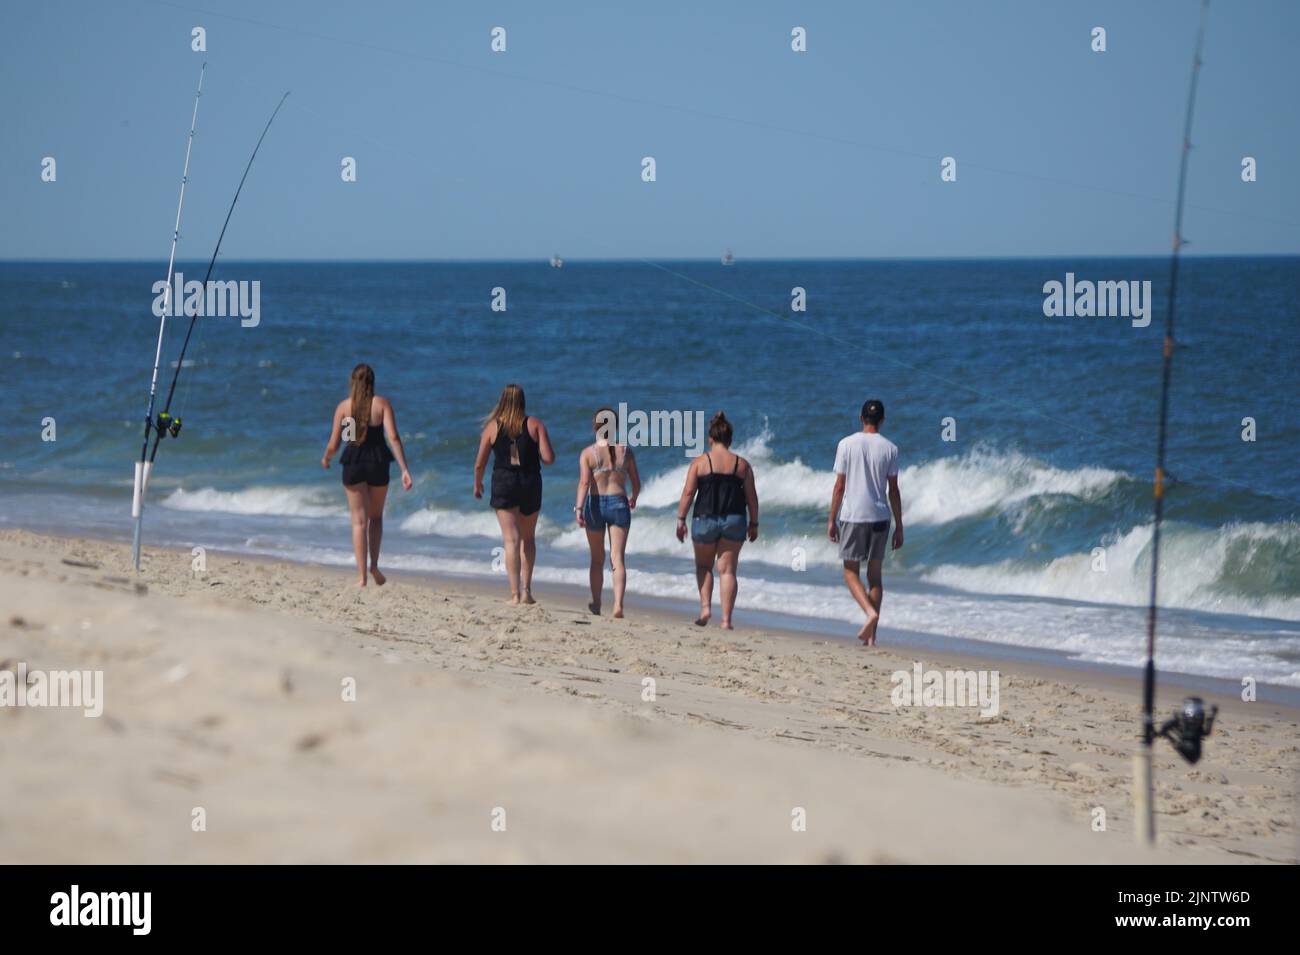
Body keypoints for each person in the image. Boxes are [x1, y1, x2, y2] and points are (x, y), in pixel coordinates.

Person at [321, 363, 413, 587]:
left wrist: (327, 458)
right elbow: (393, 437)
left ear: (352, 381)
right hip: (378, 462)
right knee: (376, 517)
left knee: (358, 522)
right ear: (372, 382)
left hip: (353, 462)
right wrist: (404, 468)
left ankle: (361, 577)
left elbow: (338, 442)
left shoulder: (345, 408)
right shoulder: (381, 405)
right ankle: (374, 565)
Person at [827, 399, 903, 645]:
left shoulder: (846, 444)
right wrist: (899, 526)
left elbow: (839, 486)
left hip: (854, 515)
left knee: (850, 572)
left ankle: (869, 613)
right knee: (875, 577)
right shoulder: (890, 448)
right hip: (880, 516)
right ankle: (872, 637)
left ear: (861, 418)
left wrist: (831, 519)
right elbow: (894, 490)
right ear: (882, 420)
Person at [674, 412, 759, 629]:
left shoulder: (700, 463)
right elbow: (752, 497)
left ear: (710, 439)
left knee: (704, 566)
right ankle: (726, 620)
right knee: (728, 570)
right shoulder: (742, 465)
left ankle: (705, 608)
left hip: (704, 520)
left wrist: (681, 519)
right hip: (734, 519)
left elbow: (688, 493)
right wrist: (754, 523)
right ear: (730, 440)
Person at [474, 384, 554, 604]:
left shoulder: (492, 427)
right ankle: (527, 590)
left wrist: (477, 484)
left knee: (511, 540)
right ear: (522, 401)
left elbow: (480, 463)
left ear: (502, 401)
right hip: (529, 482)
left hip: (504, 482)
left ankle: (514, 594)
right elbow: (548, 459)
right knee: (528, 539)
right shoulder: (535, 424)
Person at [575, 407, 641, 617]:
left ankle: (596, 603)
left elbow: (585, 483)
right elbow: (636, 483)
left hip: (595, 505)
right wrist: (633, 498)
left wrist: (578, 508)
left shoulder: (588, 453)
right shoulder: (626, 451)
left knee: (596, 559)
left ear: (596, 427)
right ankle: (618, 605)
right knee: (617, 559)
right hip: (619, 504)